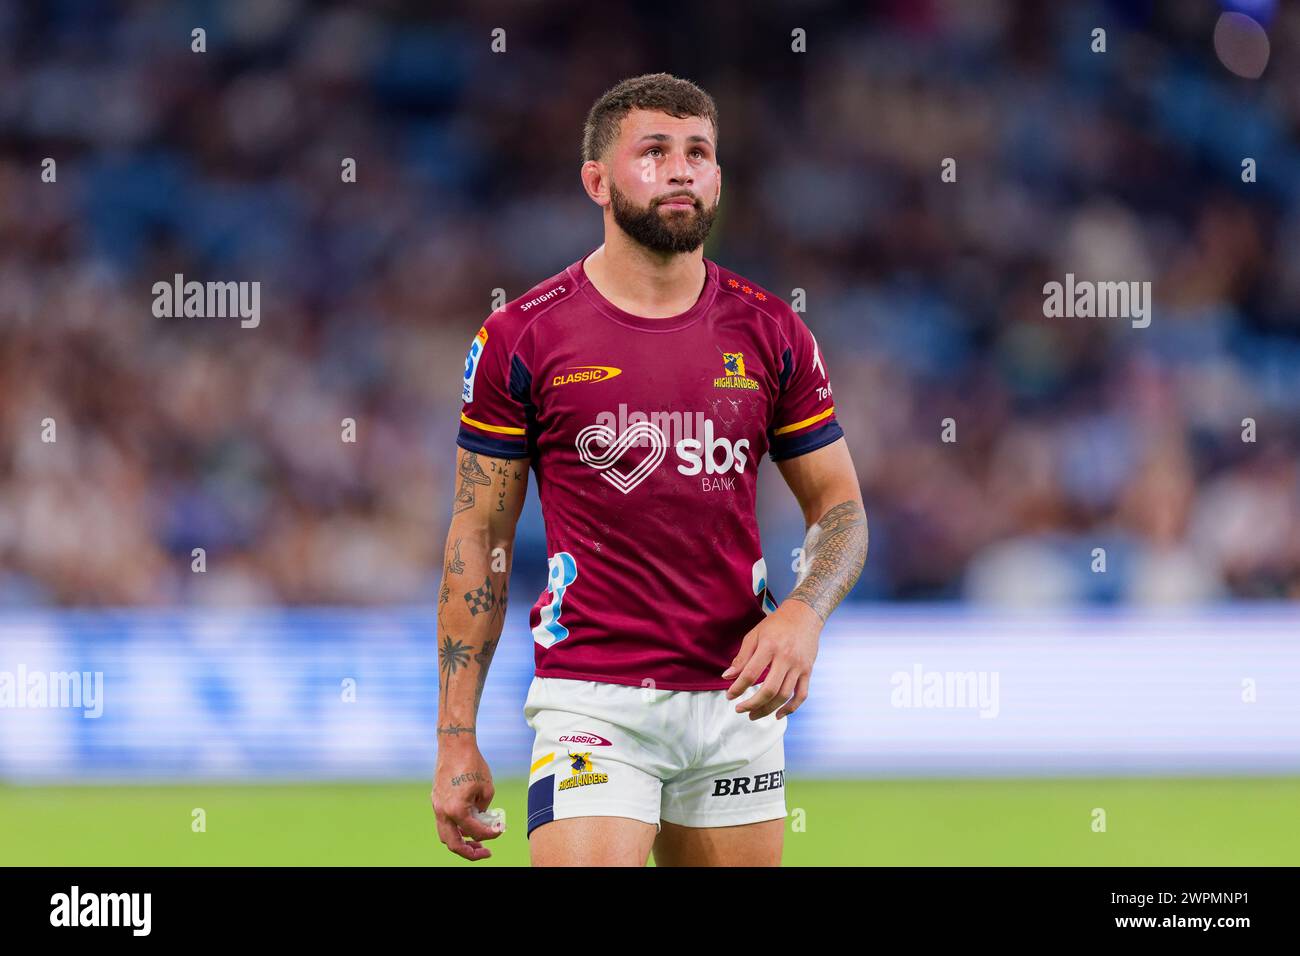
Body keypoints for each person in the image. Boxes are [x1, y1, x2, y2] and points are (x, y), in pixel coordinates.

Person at [431, 73, 867, 866]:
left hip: (738, 699)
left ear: (719, 177)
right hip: (593, 698)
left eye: (698, 152)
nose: (680, 170)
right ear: (596, 180)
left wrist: (805, 612)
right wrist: (456, 735)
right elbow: (478, 537)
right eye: (654, 151)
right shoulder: (520, 338)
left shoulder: (773, 332)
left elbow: (840, 507)